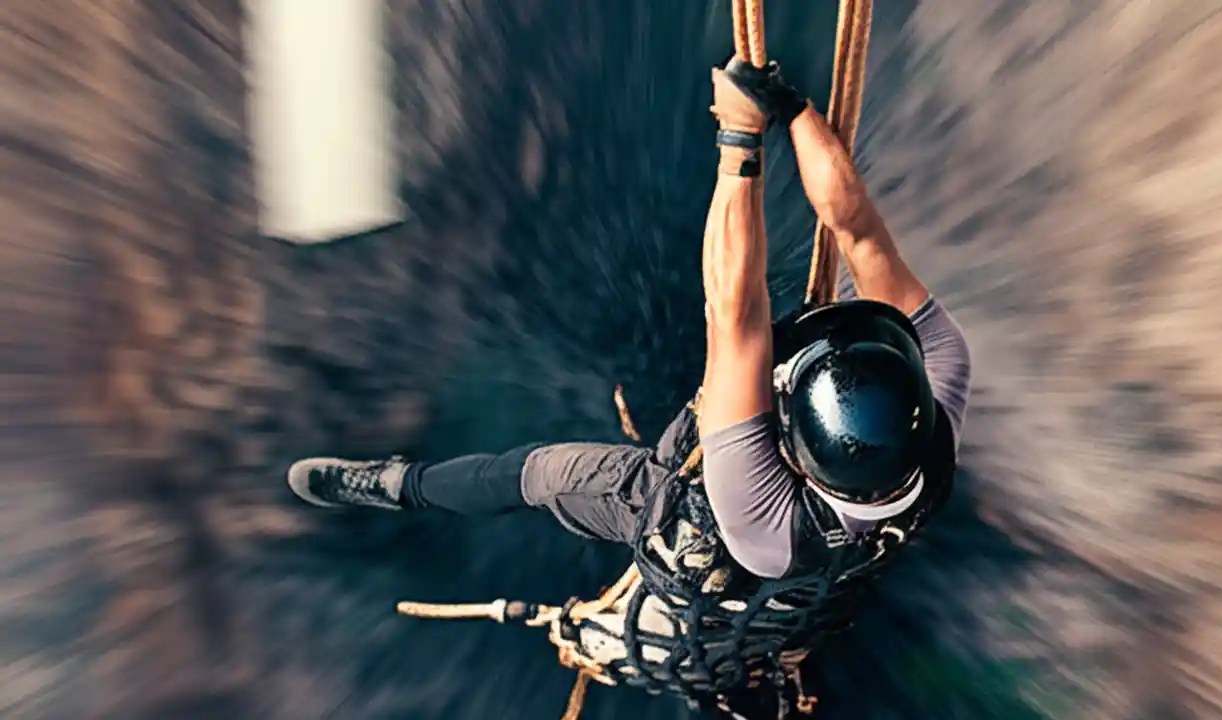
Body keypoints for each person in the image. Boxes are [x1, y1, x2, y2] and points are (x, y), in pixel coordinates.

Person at [287, 58, 971, 718]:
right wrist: (791, 107)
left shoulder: (759, 512)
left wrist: (739, 139)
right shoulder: (935, 389)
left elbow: (734, 310)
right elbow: (857, 228)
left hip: (689, 524)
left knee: (529, 475)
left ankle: (392, 485)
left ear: (792, 448)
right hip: (798, 585)